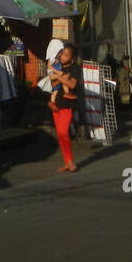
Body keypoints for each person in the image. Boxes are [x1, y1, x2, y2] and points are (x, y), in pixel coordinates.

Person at [49, 44, 81, 172]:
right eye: (62, 54)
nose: (63, 57)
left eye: (66, 55)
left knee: (63, 132)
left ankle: (70, 162)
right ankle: (67, 161)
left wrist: (59, 78)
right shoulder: (58, 66)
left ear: (72, 58)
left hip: (68, 104)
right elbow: (53, 82)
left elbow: (72, 84)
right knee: (60, 134)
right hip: (56, 103)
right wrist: (61, 77)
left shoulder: (75, 68)